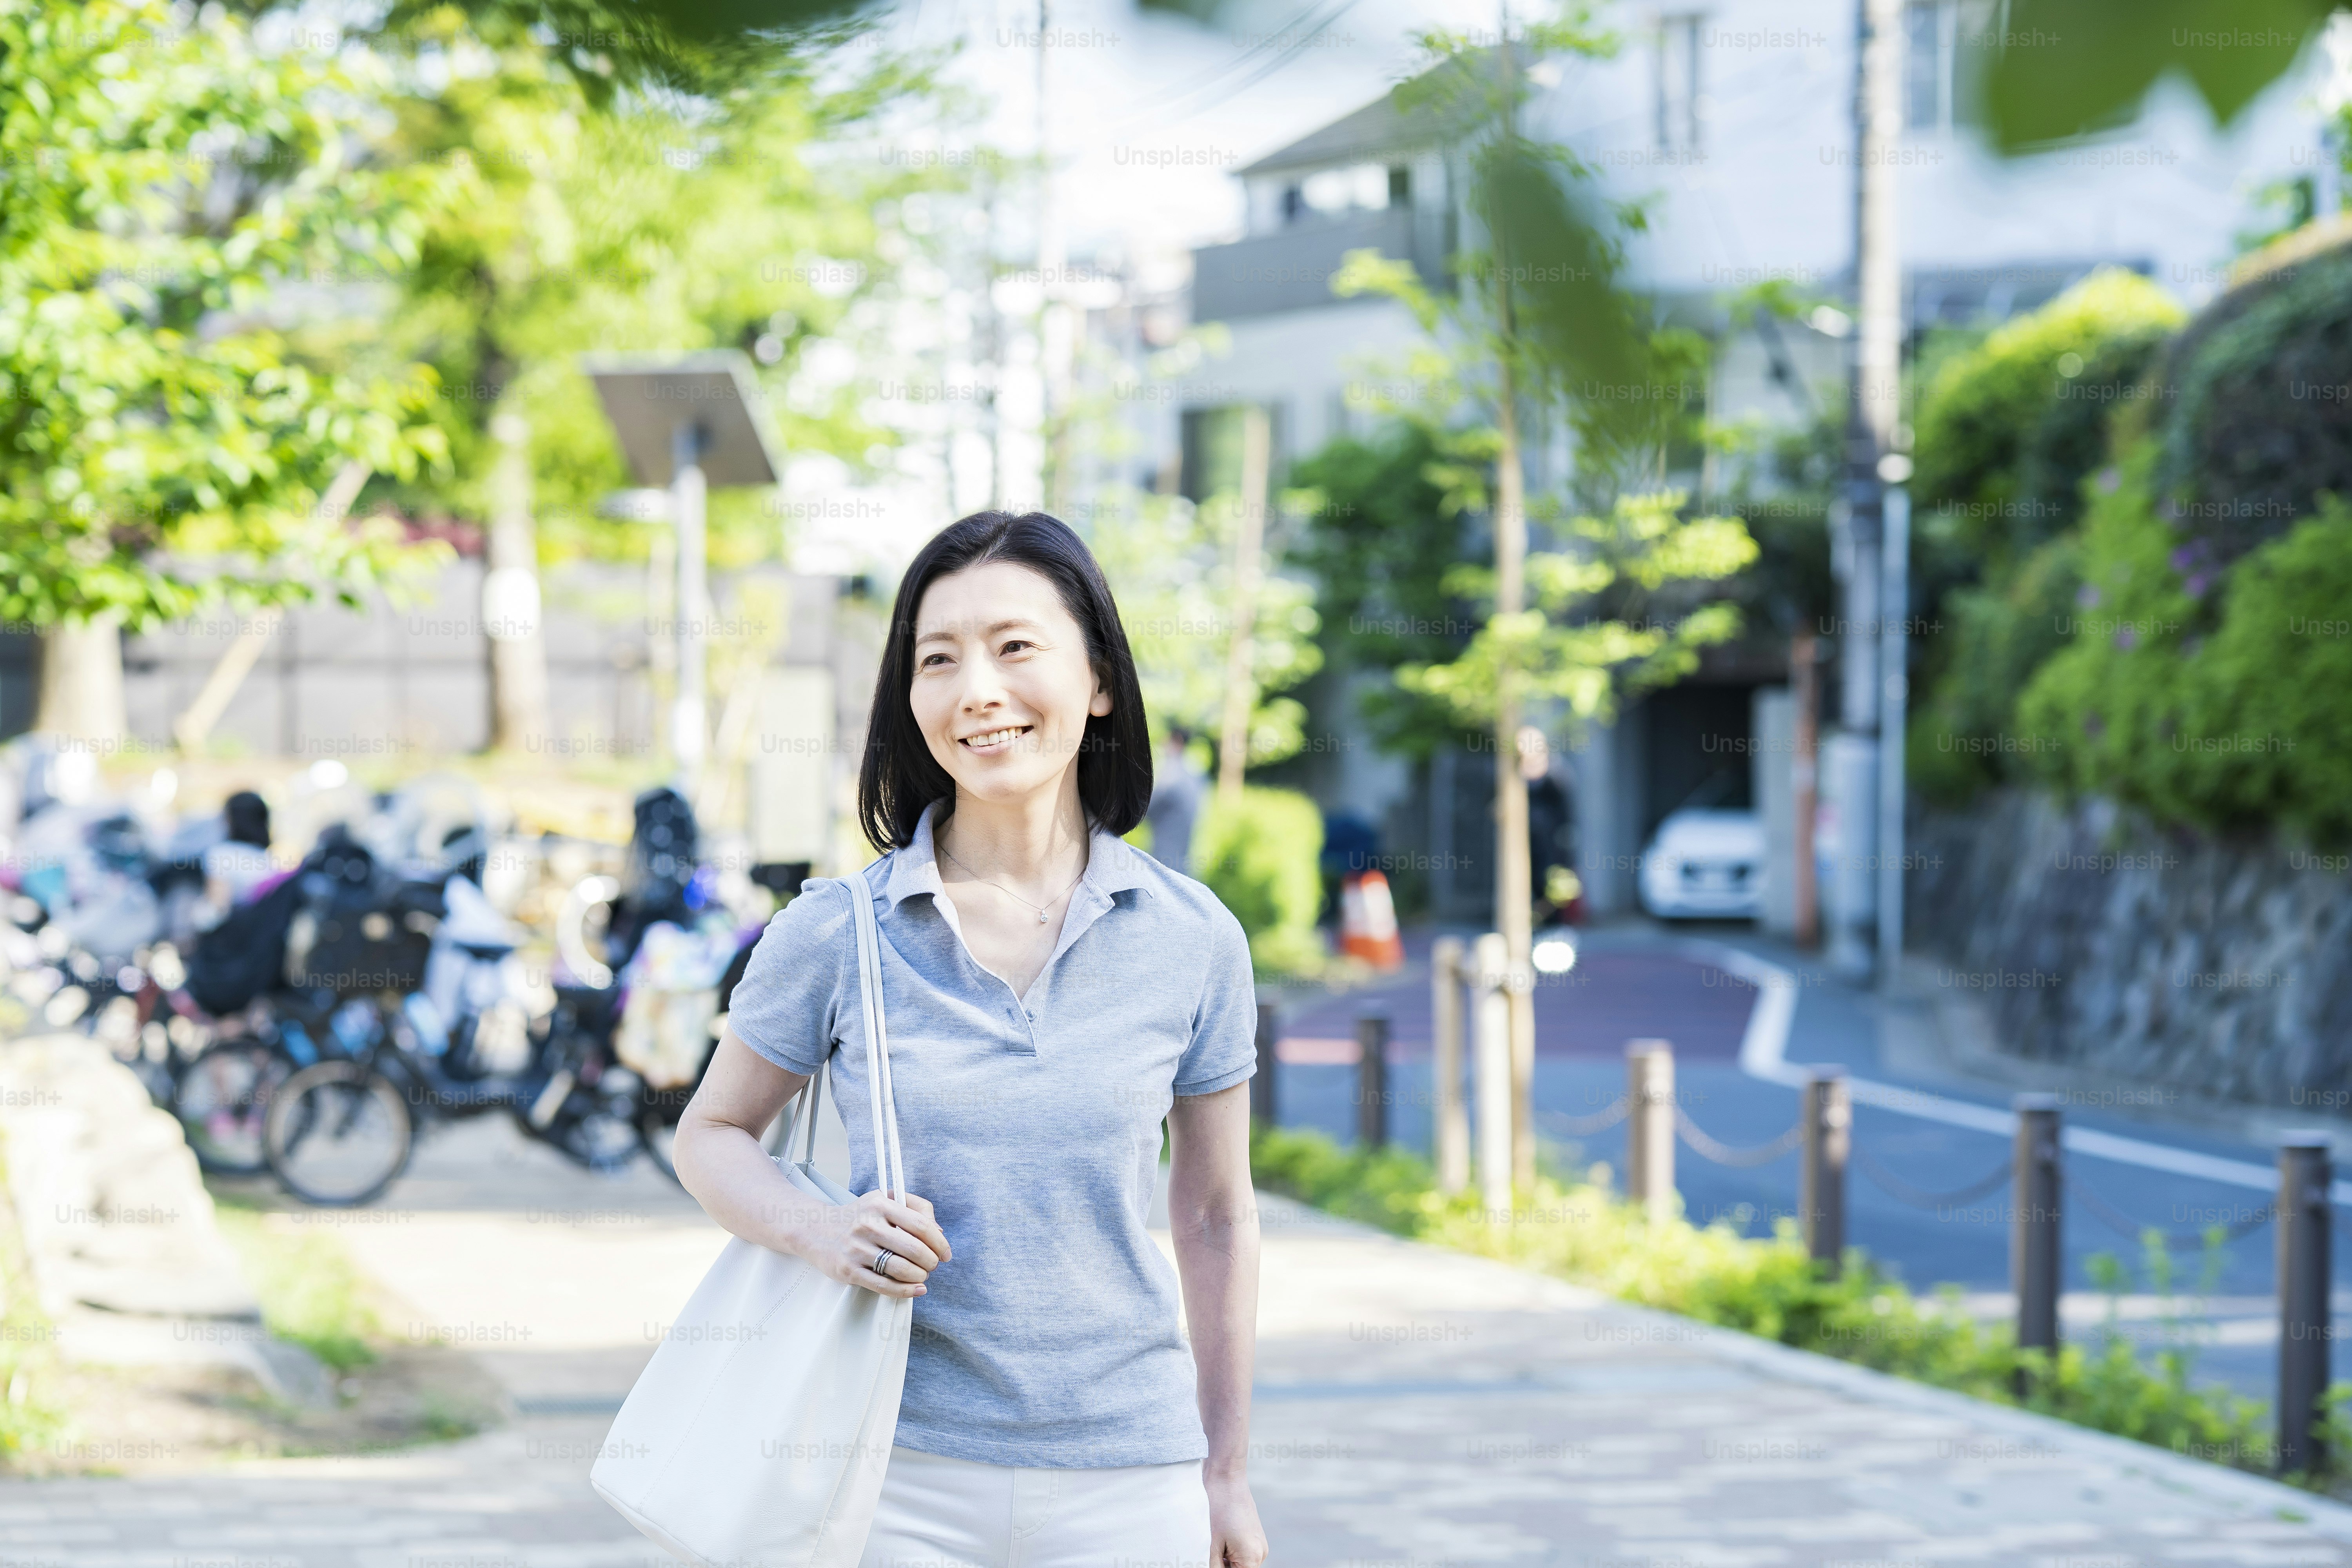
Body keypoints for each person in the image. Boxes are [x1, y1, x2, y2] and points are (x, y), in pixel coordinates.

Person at [673, 512, 1269, 1568]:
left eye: (1016, 647)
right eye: (936, 660)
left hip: (1131, 1479)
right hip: (889, 1470)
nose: (976, 689)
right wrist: (819, 1228)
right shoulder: (834, 932)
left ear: (1098, 680)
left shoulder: (1193, 939)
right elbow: (711, 1134)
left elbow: (1217, 1215)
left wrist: (1225, 1474)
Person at [196, 790, 274, 931]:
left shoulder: (220, 854)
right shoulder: (270, 859)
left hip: (232, 939)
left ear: (230, 819)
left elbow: (217, 909)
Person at [1144, 724, 1204, 873]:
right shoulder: (1196, 773)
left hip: (1163, 854)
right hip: (1185, 854)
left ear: (1176, 741)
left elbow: (1145, 810)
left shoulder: (1171, 773)